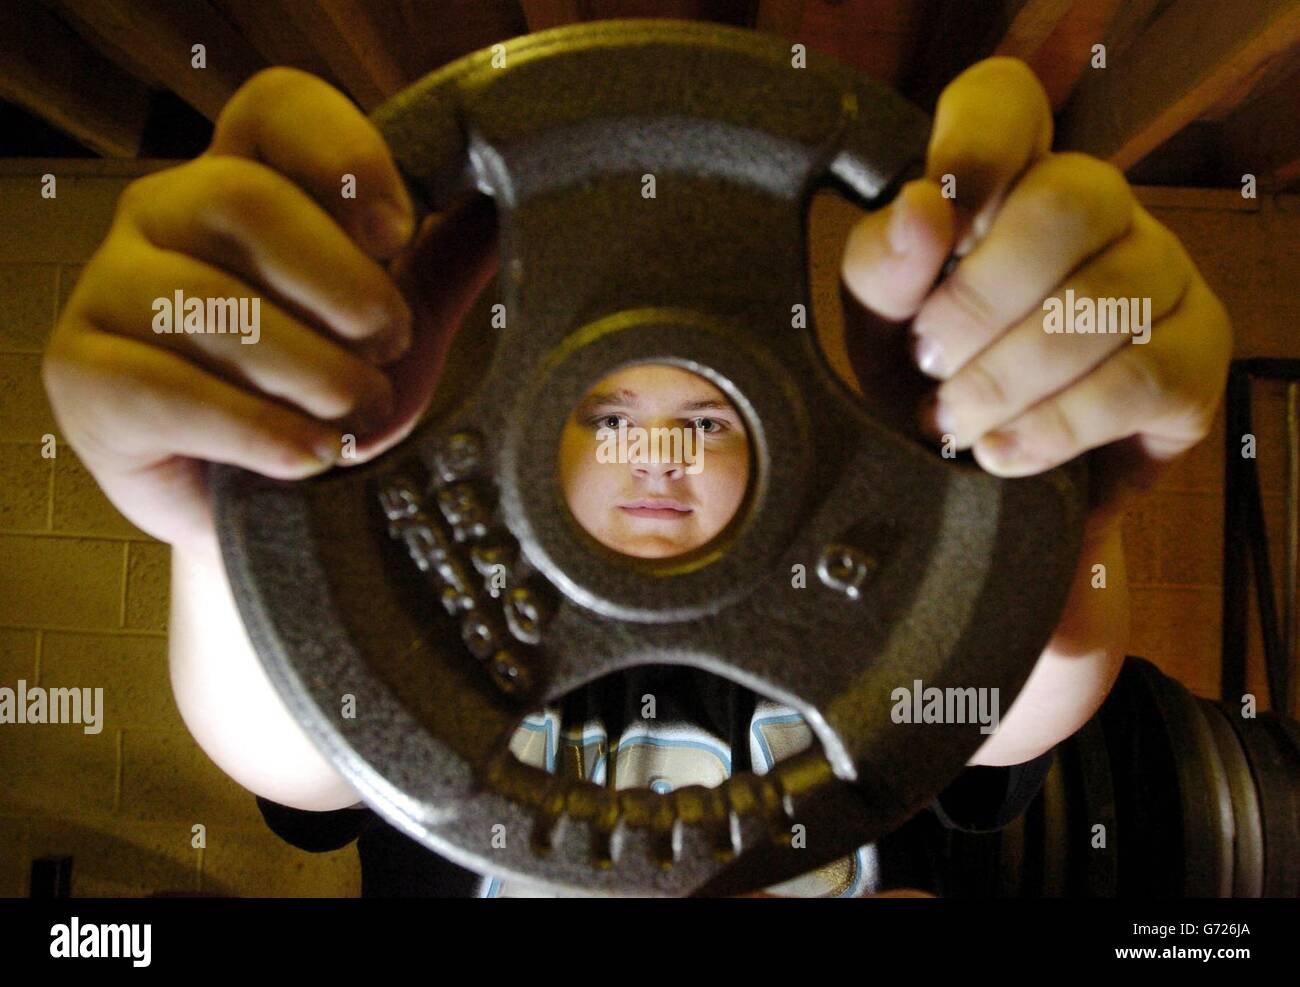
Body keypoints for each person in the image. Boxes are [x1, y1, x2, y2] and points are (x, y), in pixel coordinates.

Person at [41, 56, 1231, 897]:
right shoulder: (428, 650)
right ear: (516, 439)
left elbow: (1023, 703)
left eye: (707, 419)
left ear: (788, 448)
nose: (655, 451)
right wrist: (237, 514)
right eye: (605, 414)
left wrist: (1032, 480)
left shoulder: (881, 649)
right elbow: (284, 746)